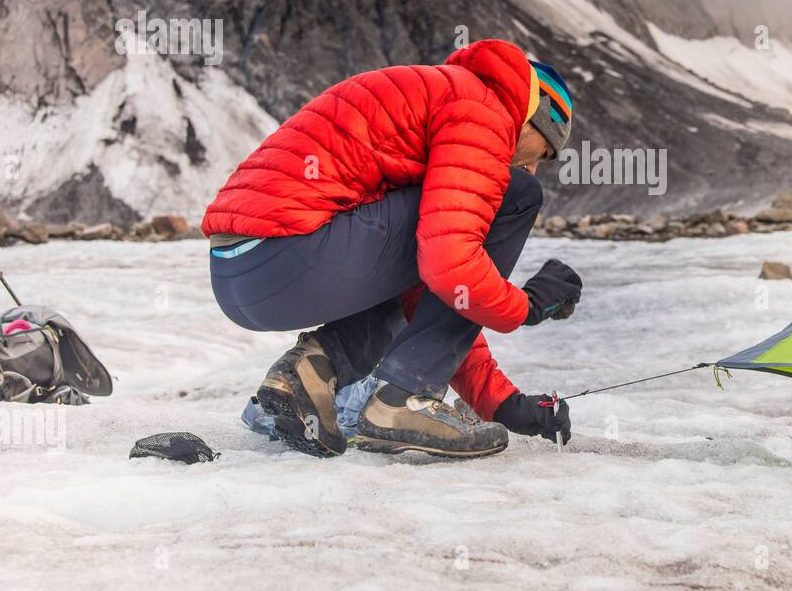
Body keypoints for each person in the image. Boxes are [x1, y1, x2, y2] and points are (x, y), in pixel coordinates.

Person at [201, 39, 582, 459]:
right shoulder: (484, 110)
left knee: (434, 251)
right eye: (542, 152)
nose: (531, 166)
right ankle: (406, 400)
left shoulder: (445, 95)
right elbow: (450, 265)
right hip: (295, 255)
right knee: (518, 194)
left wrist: (505, 405)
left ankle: (310, 371)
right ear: (532, 119)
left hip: (243, 275)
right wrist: (526, 307)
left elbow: (426, 292)